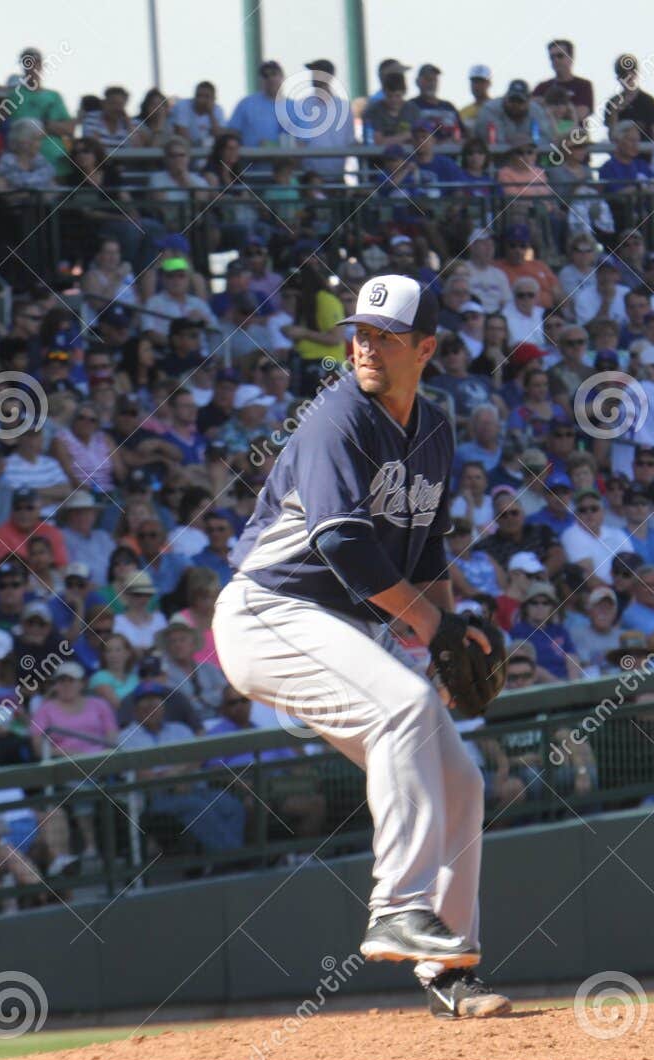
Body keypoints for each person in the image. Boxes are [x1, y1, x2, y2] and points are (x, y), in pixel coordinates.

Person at [211, 275, 509, 1020]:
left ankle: (450, 967)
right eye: (360, 334)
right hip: (269, 613)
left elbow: (426, 551)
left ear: (426, 349)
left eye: (386, 337)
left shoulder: (435, 431)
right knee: (404, 709)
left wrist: (447, 635)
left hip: (335, 629)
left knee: (460, 783)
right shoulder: (336, 416)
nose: (366, 348)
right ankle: (397, 907)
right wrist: (432, 629)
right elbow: (343, 543)